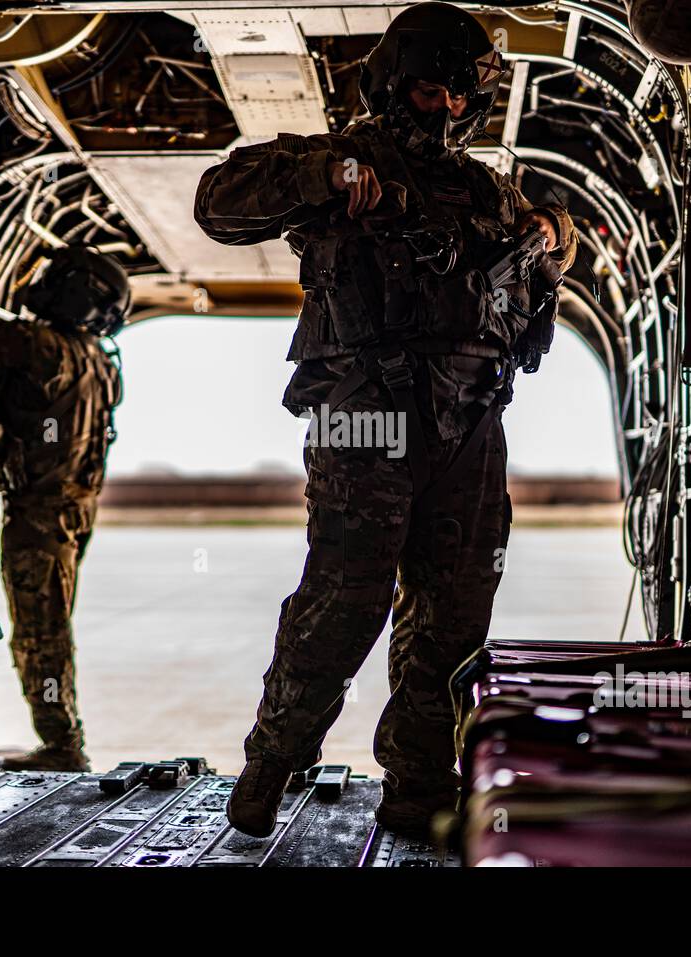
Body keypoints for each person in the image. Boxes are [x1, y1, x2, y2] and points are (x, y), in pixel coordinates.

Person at [194, 1, 578, 837]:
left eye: (464, 94)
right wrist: (323, 180)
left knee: (456, 611)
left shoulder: (485, 188)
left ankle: (420, 785)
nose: (452, 108)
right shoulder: (339, 161)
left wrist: (556, 232)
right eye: (438, 90)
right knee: (346, 597)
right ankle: (273, 758)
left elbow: (556, 242)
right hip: (366, 412)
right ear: (401, 84)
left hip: (471, 418)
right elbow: (217, 203)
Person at [0, 238, 126, 772]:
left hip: (39, 515)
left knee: (40, 632)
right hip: (75, 510)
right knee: (51, 623)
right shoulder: (98, 360)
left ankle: (63, 744)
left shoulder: (44, 347)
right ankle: (62, 738)